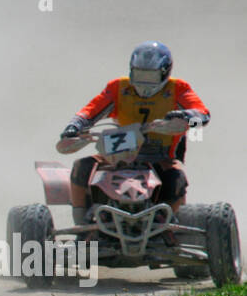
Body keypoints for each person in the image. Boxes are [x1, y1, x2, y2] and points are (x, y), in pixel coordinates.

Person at [59, 41, 209, 227]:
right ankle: (82, 225)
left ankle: (169, 225)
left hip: (161, 157)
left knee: (176, 179)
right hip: (120, 153)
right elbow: (90, 111)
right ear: (131, 71)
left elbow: (203, 115)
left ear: (164, 72)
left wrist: (186, 115)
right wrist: (75, 126)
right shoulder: (118, 88)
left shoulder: (178, 89)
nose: (145, 83)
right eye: (140, 75)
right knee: (81, 166)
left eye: (150, 76)